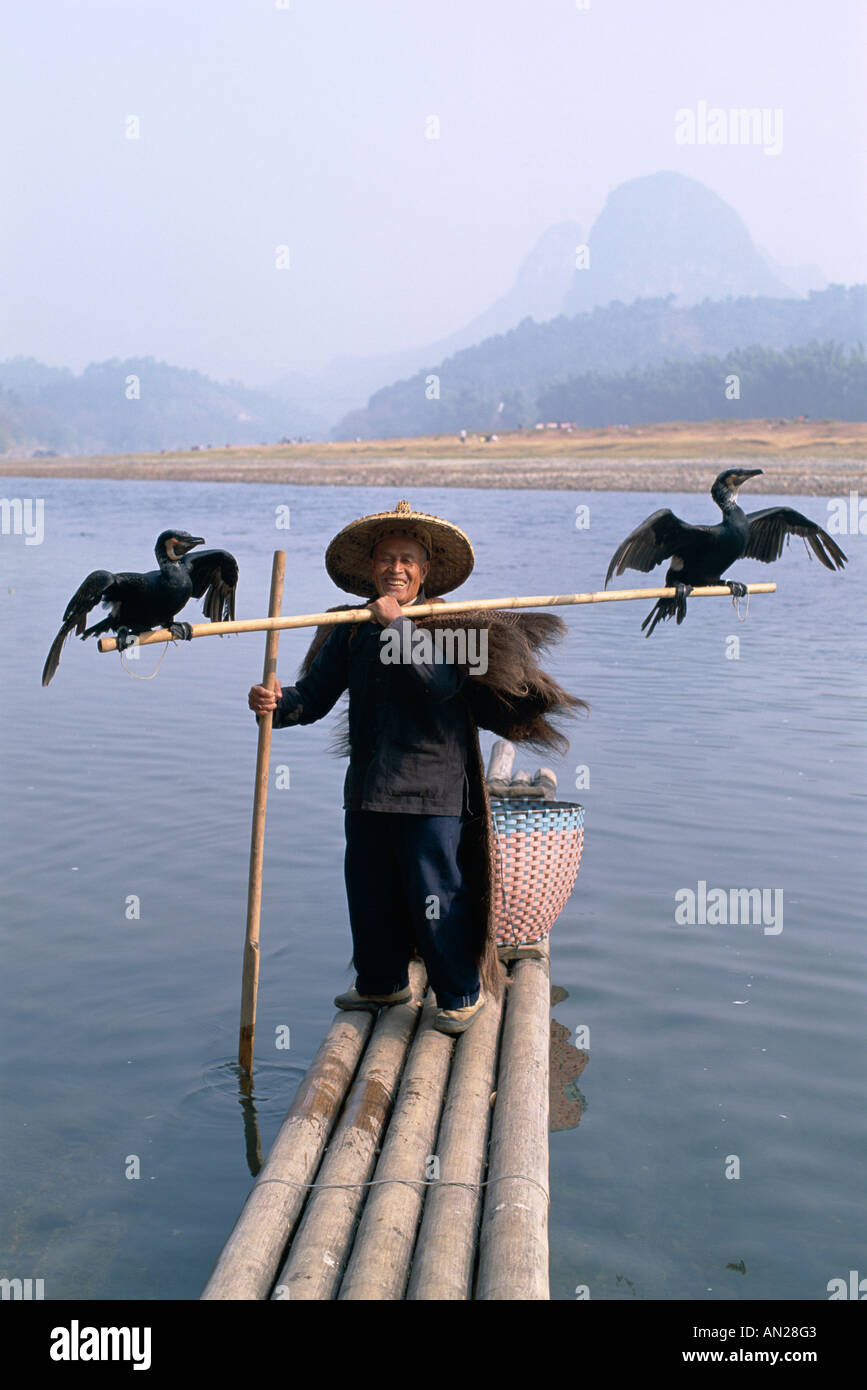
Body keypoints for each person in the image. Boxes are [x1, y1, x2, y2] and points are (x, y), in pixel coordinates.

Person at [248, 500, 587, 1035]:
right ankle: (382, 982)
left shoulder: (453, 626)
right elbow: (313, 698)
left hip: (431, 790)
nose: (395, 569)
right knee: (368, 889)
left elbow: (443, 685)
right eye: (386, 559)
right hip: (367, 788)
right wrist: (275, 704)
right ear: (370, 569)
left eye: (407, 560)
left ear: (424, 572)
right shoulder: (350, 630)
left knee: (436, 893)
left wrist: (400, 627)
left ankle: (459, 993)